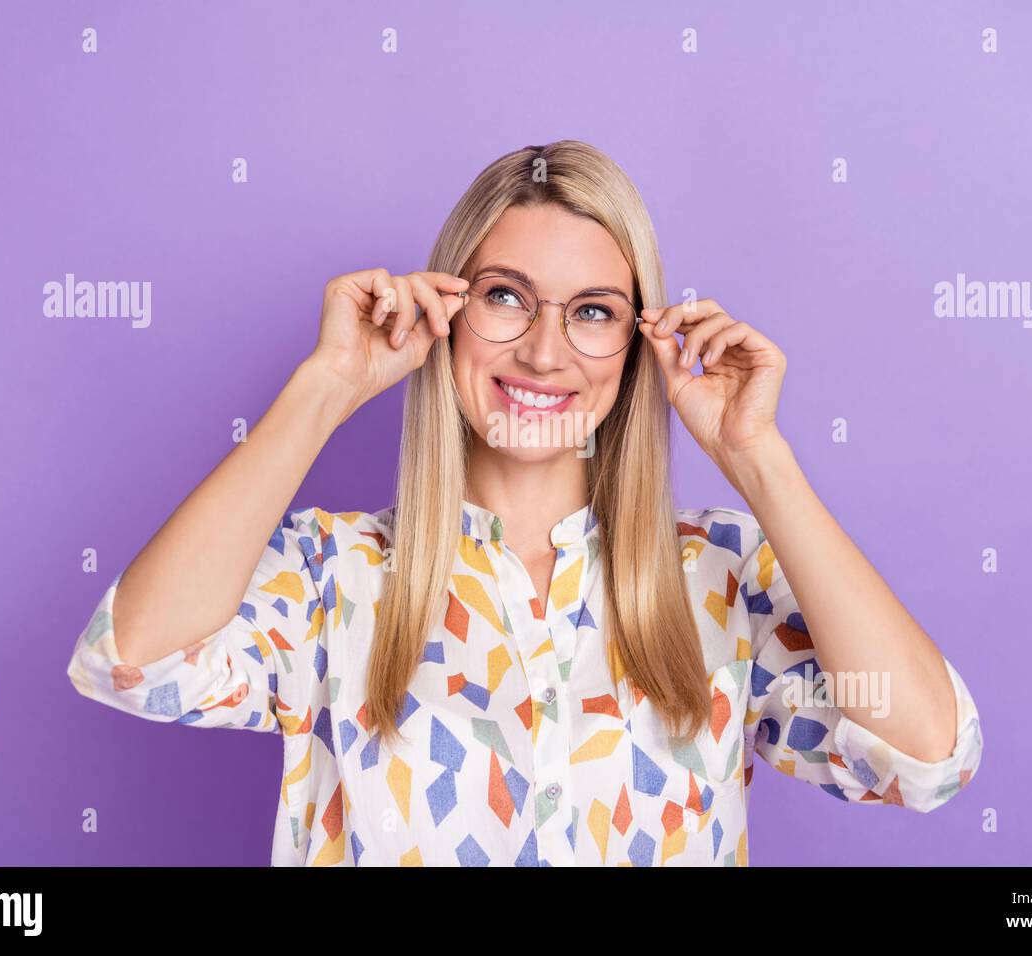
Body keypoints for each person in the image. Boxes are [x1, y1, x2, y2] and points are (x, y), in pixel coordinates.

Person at [66, 140, 983, 867]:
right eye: (506, 297)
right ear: (447, 313)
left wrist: (758, 457)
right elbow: (133, 661)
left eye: (592, 312)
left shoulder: (720, 577)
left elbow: (930, 754)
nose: (545, 354)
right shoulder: (332, 576)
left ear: (637, 342)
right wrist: (328, 385)